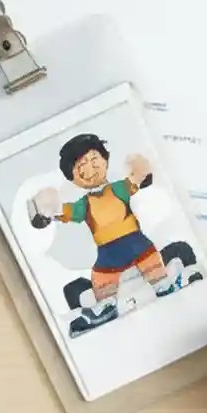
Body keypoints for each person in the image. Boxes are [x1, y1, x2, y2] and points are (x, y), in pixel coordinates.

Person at [31, 133, 181, 330]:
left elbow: (137, 182)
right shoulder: (84, 204)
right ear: (72, 175)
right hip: (108, 253)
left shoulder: (118, 189)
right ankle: (106, 306)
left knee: (150, 262)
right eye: (80, 166)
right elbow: (68, 212)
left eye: (94, 160)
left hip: (135, 242)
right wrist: (51, 209)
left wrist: (141, 170)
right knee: (101, 276)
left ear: (105, 160)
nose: (89, 168)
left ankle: (162, 283)